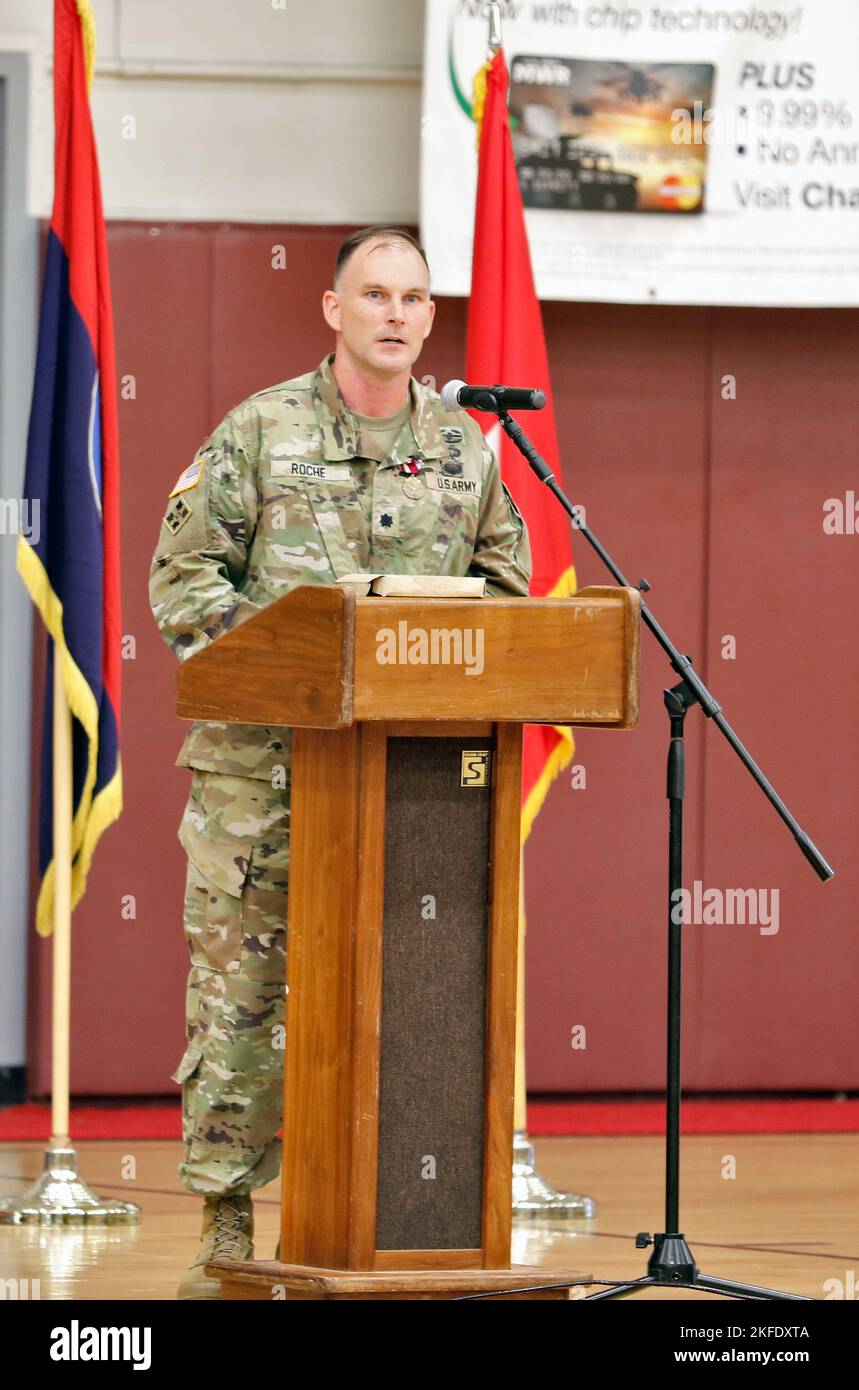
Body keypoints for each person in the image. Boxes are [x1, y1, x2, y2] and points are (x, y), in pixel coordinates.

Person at [149, 225, 532, 1298]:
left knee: (411, 998)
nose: (397, 315)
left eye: (414, 298)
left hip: (412, 790)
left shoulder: (467, 448)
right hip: (261, 780)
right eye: (375, 294)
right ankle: (227, 1221)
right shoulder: (257, 434)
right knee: (242, 1003)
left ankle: (396, 1218)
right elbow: (184, 586)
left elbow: (508, 591)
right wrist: (297, 667)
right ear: (332, 309)